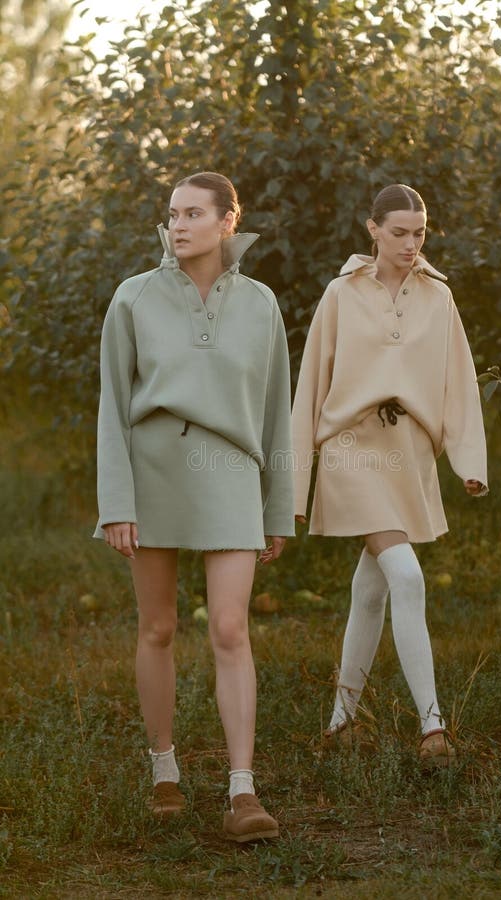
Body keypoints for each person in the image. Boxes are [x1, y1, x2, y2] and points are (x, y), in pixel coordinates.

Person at [93, 171, 294, 841]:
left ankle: (243, 791)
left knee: (231, 630)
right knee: (158, 627)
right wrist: (116, 501)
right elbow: (112, 406)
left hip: (231, 473)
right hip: (152, 473)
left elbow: (277, 412)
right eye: (172, 214)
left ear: (227, 221)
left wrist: (278, 507)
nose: (177, 225)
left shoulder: (261, 303)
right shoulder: (134, 296)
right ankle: (164, 770)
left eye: (192, 214)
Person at [292, 184, 488, 766]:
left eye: (419, 233)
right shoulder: (341, 293)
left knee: (371, 588)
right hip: (349, 447)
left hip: (409, 453)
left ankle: (341, 722)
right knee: (406, 575)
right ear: (372, 229)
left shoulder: (438, 297)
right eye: (398, 232)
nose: (410, 244)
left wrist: (468, 461)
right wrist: (294, 485)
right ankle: (433, 727)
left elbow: (459, 381)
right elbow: (311, 385)